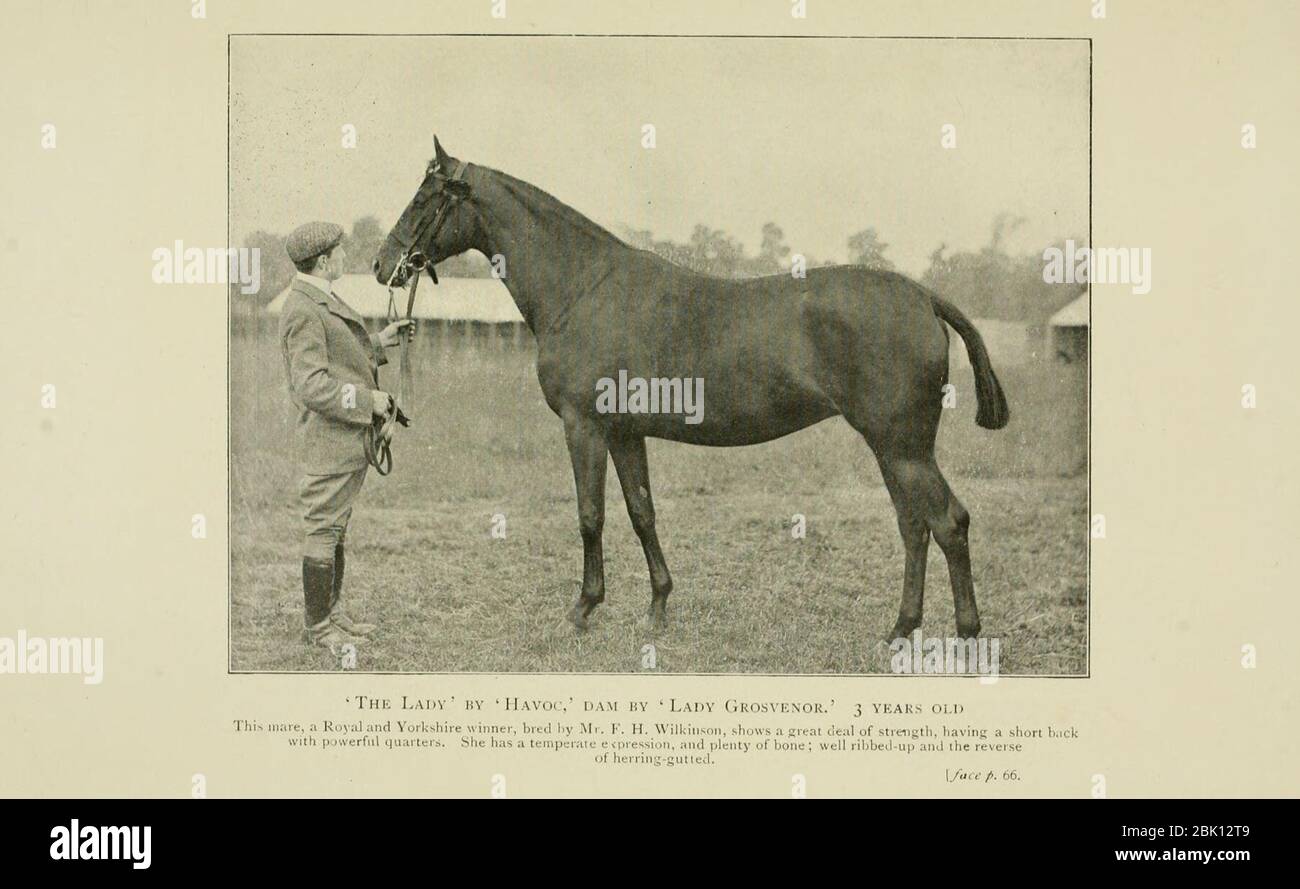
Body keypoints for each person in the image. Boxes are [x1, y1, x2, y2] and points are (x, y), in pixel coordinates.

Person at [279, 221, 411, 652]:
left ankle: (331, 614)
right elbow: (311, 384)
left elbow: (338, 357)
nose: (345, 257)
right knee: (323, 528)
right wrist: (368, 401)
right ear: (323, 260)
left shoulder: (317, 298)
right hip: (328, 441)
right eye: (340, 251)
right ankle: (319, 628)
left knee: (335, 528)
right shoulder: (304, 308)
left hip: (342, 442)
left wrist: (379, 342)